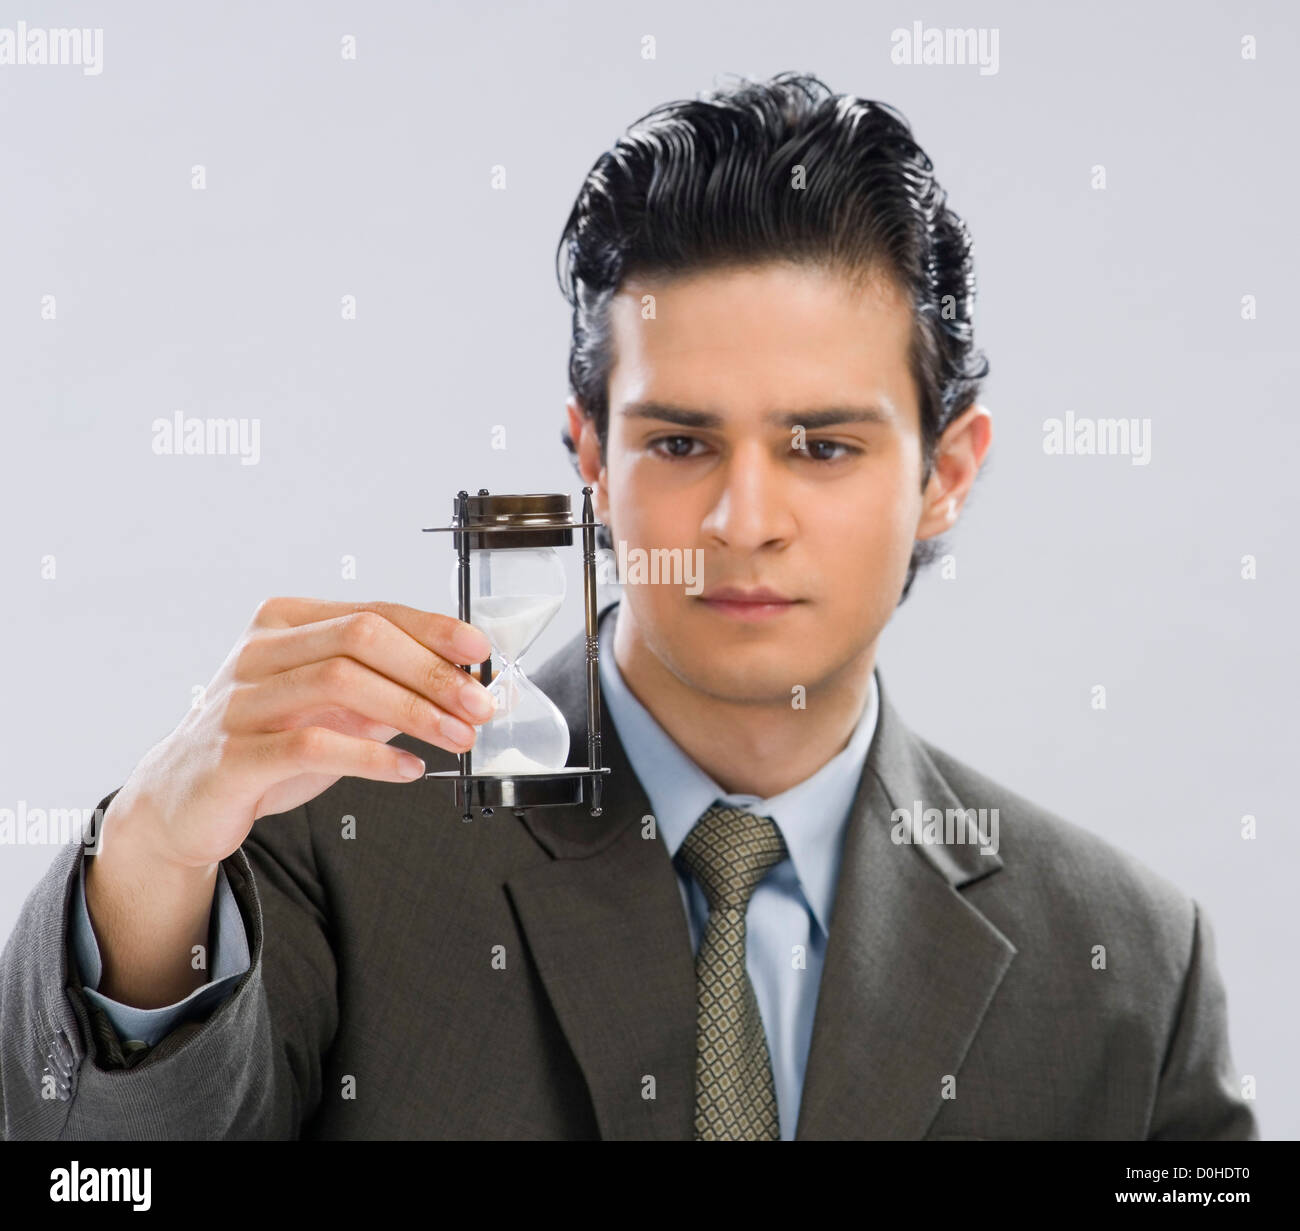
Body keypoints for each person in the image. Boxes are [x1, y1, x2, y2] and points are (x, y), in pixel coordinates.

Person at [0, 72, 1255, 1141]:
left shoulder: (1131, 964)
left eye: (822, 447)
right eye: (680, 442)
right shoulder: (330, 846)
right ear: (589, 462)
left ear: (946, 476)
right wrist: (157, 846)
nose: (742, 520)